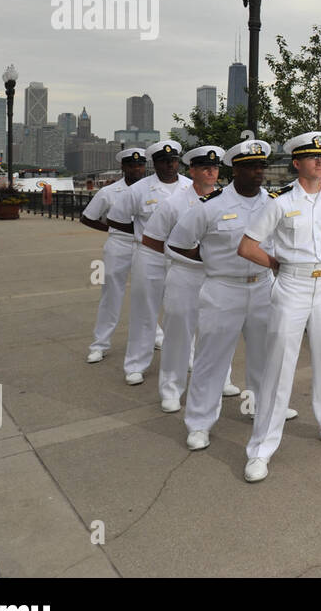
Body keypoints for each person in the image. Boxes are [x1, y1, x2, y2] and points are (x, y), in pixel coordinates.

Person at [237, 131, 321, 483]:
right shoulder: (278, 202)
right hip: (292, 287)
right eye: (313, 157)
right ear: (297, 163)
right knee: (280, 367)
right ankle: (261, 449)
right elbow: (247, 247)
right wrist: (278, 265)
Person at [169, 139, 276, 451]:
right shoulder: (211, 206)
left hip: (262, 287)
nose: (258, 172)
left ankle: (262, 407)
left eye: (261, 166)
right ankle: (199, 422)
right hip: (223, 289)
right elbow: (178, 242)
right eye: (250, 167)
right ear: (235, 170)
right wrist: (212, 261)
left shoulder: (273, 203)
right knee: (211, 359)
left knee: (265, 355)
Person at [141, 146, 226, 413]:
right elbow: (151, 238)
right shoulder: (174, 203)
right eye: (204, 167)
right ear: (192, 171)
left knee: (217, 333)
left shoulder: (226, 200)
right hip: (185, 274)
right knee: (178, 334)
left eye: (214, 167)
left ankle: (221, 379)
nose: (211, 172)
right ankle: (171, 388)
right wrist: (175, 256)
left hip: (216, 276)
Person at [110, 141, 193, 385]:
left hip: (182, 258)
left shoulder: (191, 187)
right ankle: (136, 363)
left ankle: (186, 355)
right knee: (144, 312)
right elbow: (116, 220)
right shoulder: (139, 190)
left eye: (174, 160)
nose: (170, 165)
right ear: (154, 164)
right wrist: (143, 234)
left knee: (183, 312)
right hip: (150, 256)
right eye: (164, 161)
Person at [80, 149, 147, 363]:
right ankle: (100, 344)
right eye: (132, 165)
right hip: (119, 245)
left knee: (148, 294)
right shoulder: (109, 192)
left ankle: (156, 335)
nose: (137, 169)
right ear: (123, 168)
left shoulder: (151, 189)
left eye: (140, 165)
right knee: (111, 294)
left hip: (146, 247)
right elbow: (88, 218)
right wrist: (112, 230)